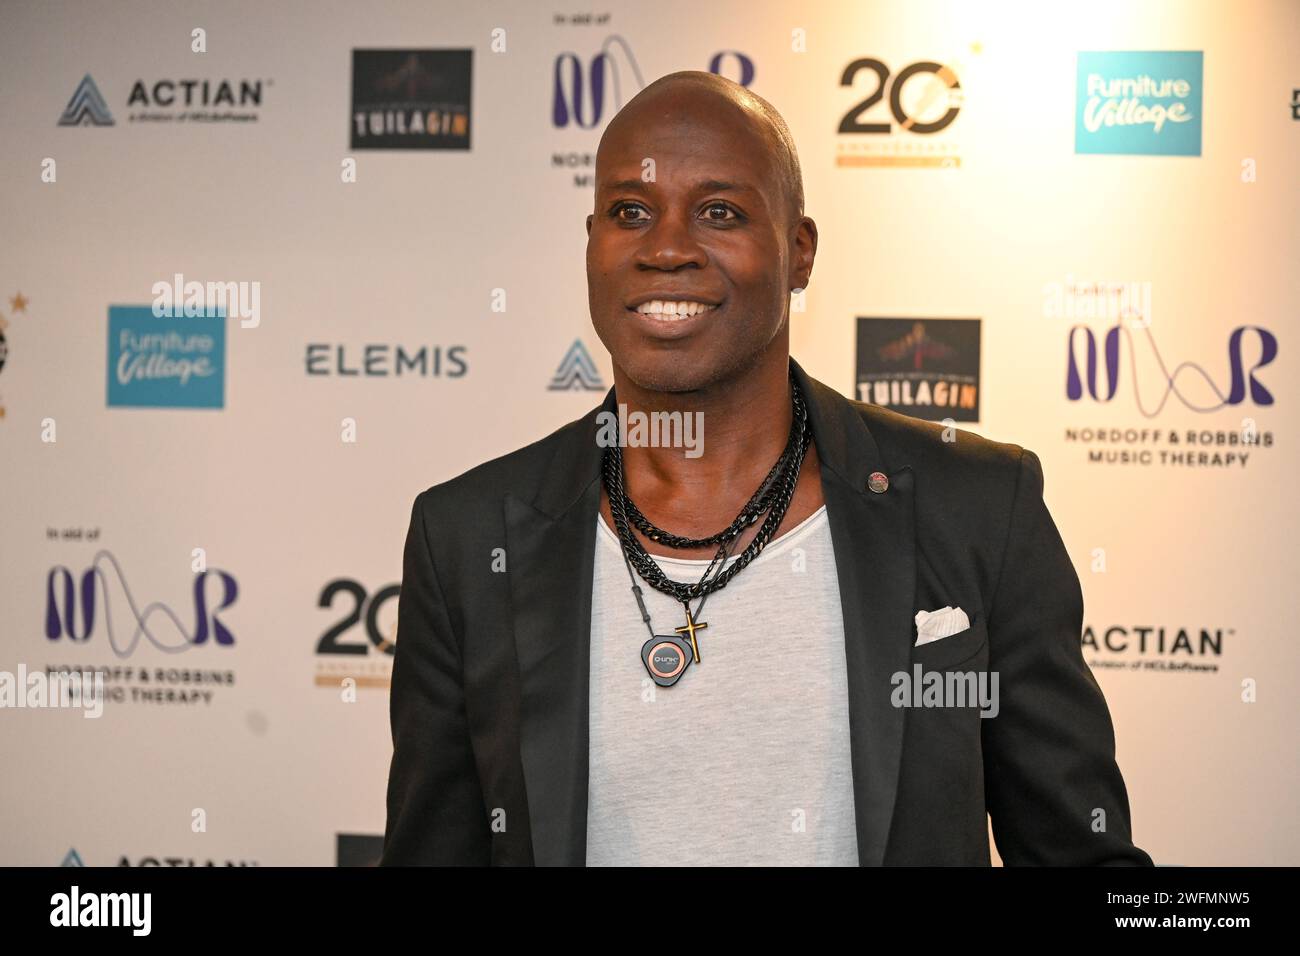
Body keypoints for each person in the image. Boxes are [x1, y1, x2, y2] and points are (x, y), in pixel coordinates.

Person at [381, 71, 1152, 866]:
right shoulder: (468, 539)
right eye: (629, 213)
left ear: (799, 251)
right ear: (592, 245)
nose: (667, 247)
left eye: (720, 212)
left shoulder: (979, 506)